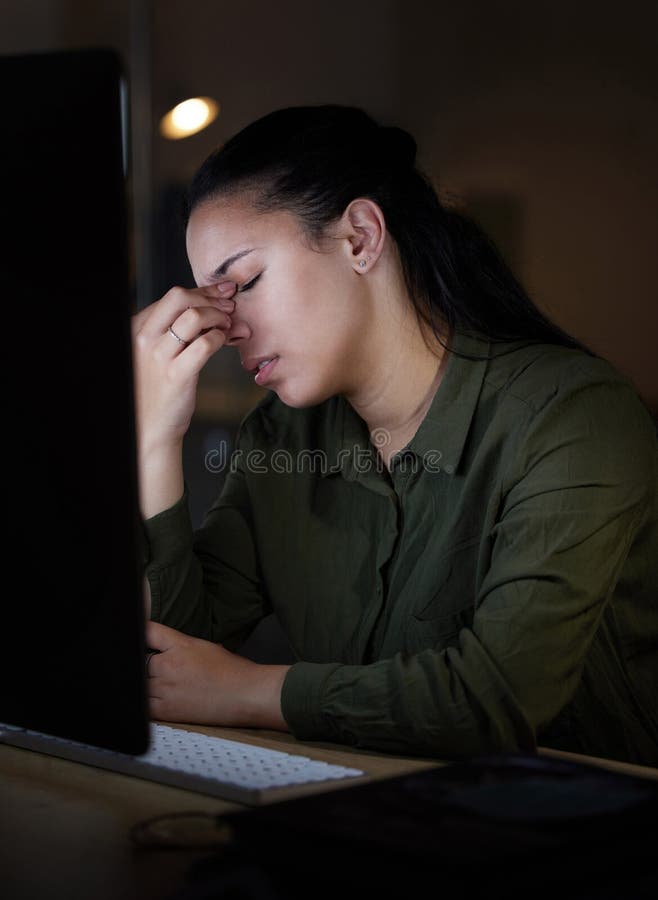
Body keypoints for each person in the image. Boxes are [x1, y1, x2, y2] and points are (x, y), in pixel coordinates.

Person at [133, 104, 658, 765]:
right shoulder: (281, 440)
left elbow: (496, 696)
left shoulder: (574, 417)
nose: (228, 325)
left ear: (360, 236)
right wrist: (153, 439)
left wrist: (251, 692)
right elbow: (176, 663)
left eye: (244, 281)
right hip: (373, 816)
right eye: (213, 299)